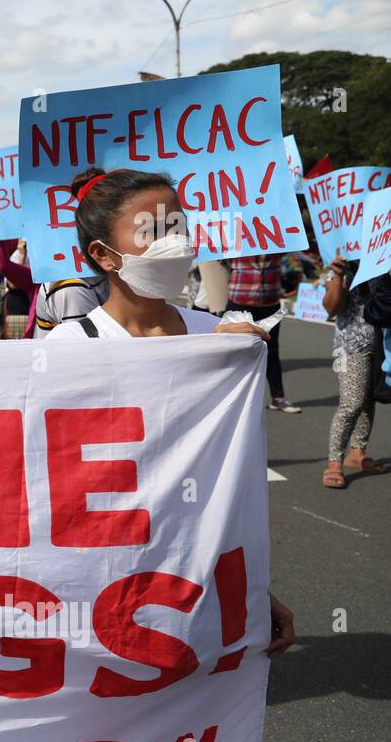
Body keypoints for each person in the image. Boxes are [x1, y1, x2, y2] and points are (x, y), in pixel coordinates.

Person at [44, 168, 295, 657]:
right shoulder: (68, 348)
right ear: (101, 254)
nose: (174, 243)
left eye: (177, 226)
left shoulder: (217, 335)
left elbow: (229, 489)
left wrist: (255, 591)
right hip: (99, 582)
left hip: (196, 579)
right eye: (151, 233)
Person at [321, 255, 386, 488]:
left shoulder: (382, 258)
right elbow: (331, 307)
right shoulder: (340, 261)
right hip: (351, 345)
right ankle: (334, 462)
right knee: (352, 403)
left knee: (369, 400)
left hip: (381, 343)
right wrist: (338, 275)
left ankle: (357, 453)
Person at [227, 255, 300, 413]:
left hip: (270, 302)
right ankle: (231, 399)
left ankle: (278, 397)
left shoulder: (277, 237)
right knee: (234, 352)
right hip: (239, 300)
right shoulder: (233, 235)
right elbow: (220, 260)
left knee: (271, 350)